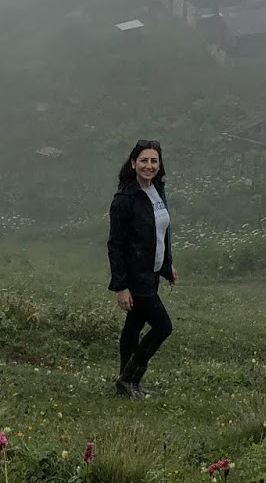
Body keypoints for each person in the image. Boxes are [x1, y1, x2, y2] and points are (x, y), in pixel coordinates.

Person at [107, 139, 177, 398]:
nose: (149, 166)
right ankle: (129, 378)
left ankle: (126, 385)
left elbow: (160, 231)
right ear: (134, 163)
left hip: (153, 271)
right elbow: (116, 245)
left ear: (159, 165)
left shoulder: (157, 189)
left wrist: (167, 265)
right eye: (144, 161)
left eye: (154, 161)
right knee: (163, 326)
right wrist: (122, 286)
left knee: (133, 327)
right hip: (137, 277)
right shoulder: (124, 200)